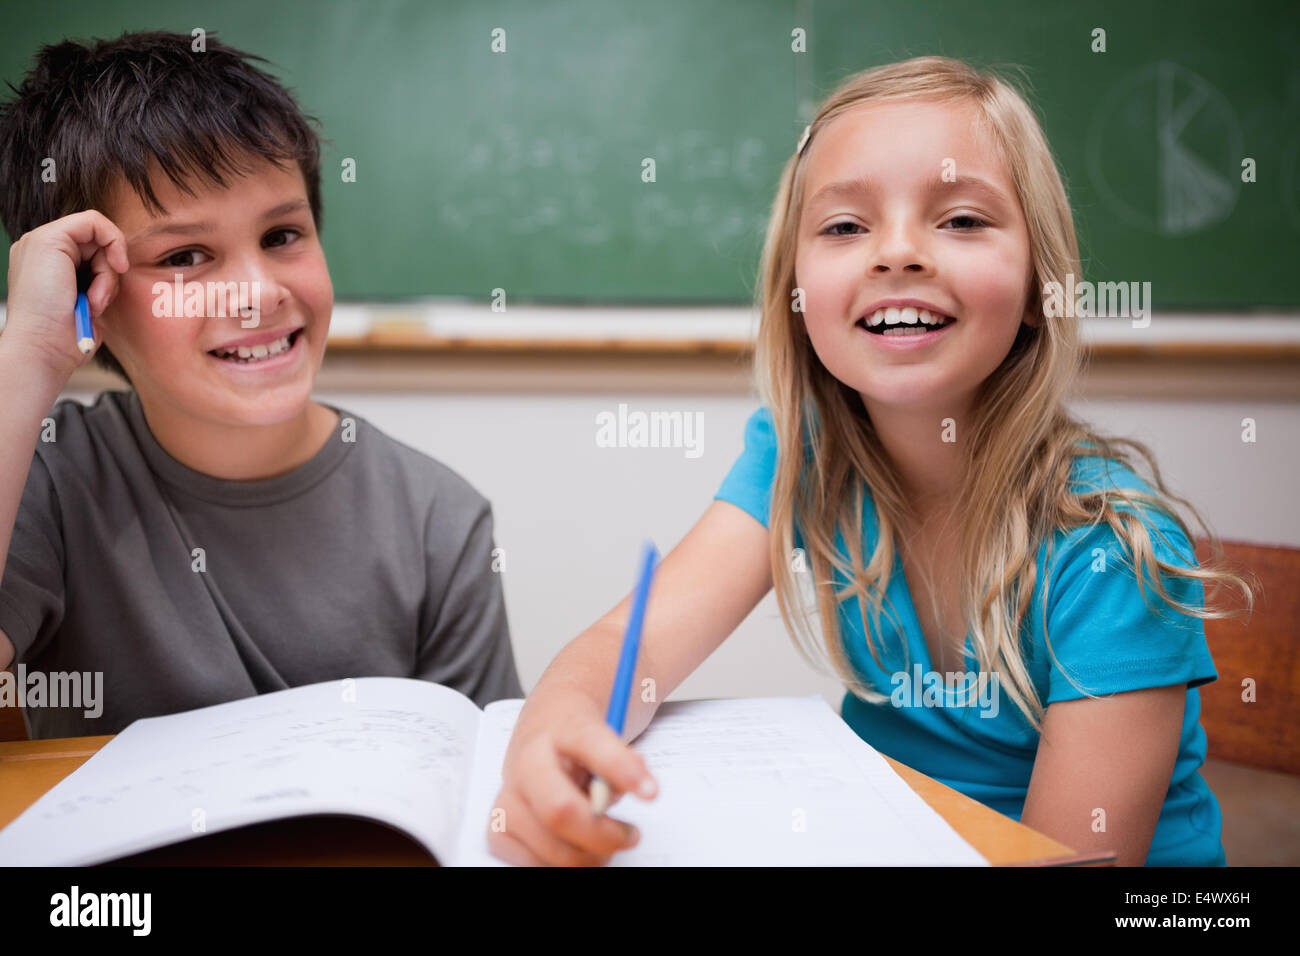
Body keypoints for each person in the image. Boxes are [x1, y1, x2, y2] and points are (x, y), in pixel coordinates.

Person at [487, 56, 1253, 867]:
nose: (897, 253)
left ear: (1039, 285)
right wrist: (559, 721)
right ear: (795, 288)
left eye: (960, 220)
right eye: (845, 227)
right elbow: (632, 648)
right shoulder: (803, 452)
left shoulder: (1114, 552)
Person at [0, 31, 522, 738]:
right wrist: (27, 351)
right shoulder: (46, 485)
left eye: (281, 237)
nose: (257, 293)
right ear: (89, 293)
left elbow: (474, 780)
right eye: (186, 255)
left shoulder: (439, 519)